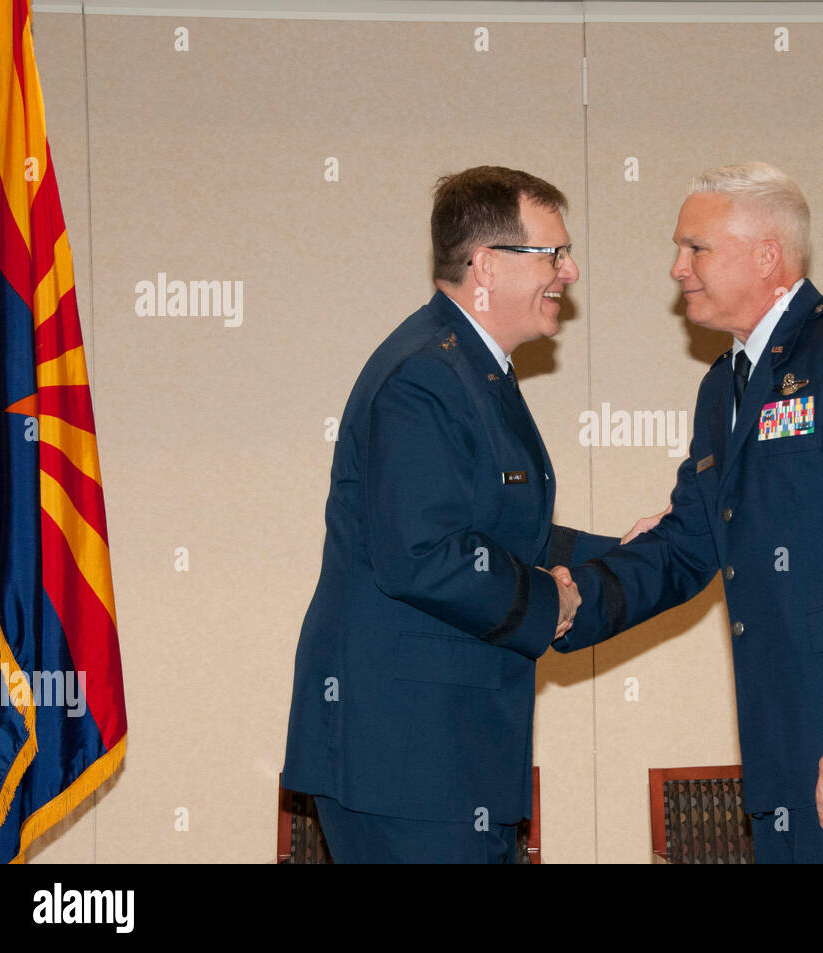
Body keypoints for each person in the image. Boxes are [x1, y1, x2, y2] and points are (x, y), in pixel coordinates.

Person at [553, 162, 823, 863]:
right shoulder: (720, 388)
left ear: (767, 256)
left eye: (696, 248)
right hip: (783, 741)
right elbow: (688, 546)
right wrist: (572, 597)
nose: (676, 268)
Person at [282, 166, 617, 863]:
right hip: (406, 756)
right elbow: (426, 552)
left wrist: (622, 551)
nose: (570, 270)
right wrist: (546, 599)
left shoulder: (471, 367)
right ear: (486, 264)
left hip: (443, 753)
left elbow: (500, 529)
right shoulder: (425, 378)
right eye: (553, 253)